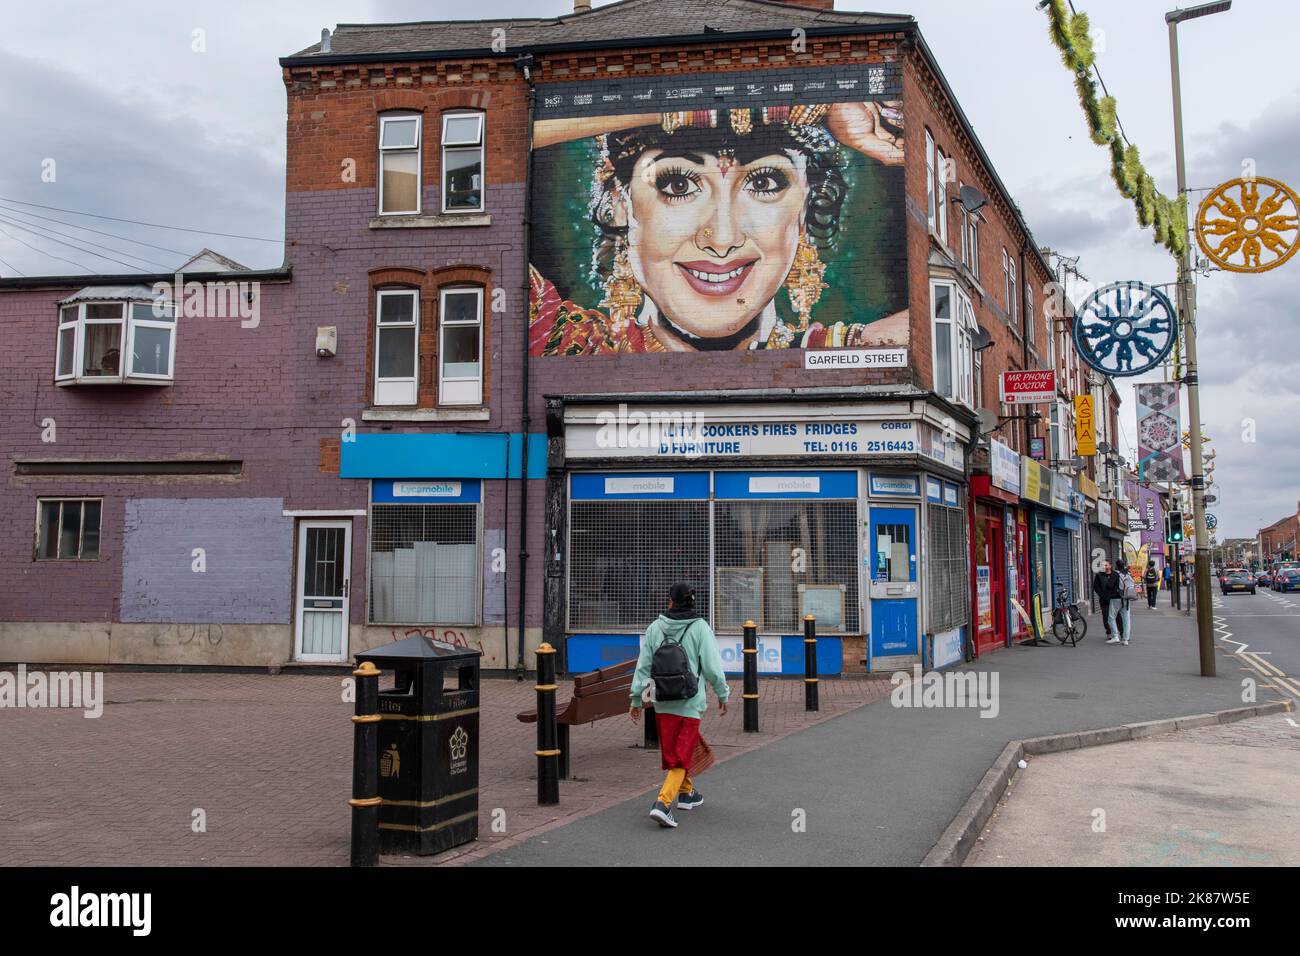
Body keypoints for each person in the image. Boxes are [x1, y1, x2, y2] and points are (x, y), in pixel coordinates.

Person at [528, 101, 908, 356]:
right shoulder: (562, 345)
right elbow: (495, 131)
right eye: (678, 185)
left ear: (806, 208)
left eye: (764, 184)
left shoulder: (835, 357)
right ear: (618, 201)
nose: (723, 239)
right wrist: (803, 102)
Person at [629, 582, 730, 829]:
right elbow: (712, 667)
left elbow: (643, 667)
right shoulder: (700, 628)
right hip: (690, 702)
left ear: (670, 601)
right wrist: (722, 693)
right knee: (680, 756)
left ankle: (687, 793)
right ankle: (662, 804)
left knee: (678, 748)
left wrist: (636, 699)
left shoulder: (654, 628)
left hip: (663, 701)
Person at [1109, 561, 1137, 645]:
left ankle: (1115, 636)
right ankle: (1125, 639)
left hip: (1116, 598)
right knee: (1126, 619)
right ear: (1124, 566)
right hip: (1127, 598)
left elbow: (1109, 585)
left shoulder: (1115, 574)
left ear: (1116, 566)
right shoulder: (1128, 574)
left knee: (1111, 617)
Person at [1092, 559, 1121, 639]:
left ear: (1110, 566)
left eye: (1106, 565)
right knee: (1106, 617)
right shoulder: (1099, 575)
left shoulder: (1115, 575)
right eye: (1103, 565)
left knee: (1118, 616)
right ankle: (1109, 633)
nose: (1104, 567)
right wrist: (1102, 595)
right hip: (1104, 599)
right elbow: (1096, 587)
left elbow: (1118, 586)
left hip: (1114, 599)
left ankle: (1121, 632)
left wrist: (1114, 594)